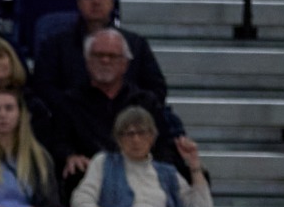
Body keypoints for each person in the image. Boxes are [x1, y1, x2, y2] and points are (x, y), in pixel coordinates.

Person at [70, 104, 215, 207]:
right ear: (118, 139)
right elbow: (79, 204)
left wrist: (194, 165)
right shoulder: (104, 162)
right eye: (129, 134)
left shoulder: (167, 172)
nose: (136, 140)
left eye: (142, 133)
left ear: (152, 137)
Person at [51, 29, 185, 179]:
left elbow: (162, 147)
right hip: (90, 177)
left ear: (125, 64)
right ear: (87, 62)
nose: (105, 61)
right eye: (98, 55)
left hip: (141, 177)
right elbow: (58, 143)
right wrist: (70, 156)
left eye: (112, 56)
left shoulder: (146, 103)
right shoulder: (69, 102)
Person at [34, 0, 168, 103]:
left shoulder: (136, 45)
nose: (96, 2)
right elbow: (43, 90)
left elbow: (157, 90)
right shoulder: (55, 46)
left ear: (112, 1)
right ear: (78, 2)